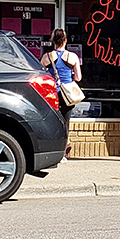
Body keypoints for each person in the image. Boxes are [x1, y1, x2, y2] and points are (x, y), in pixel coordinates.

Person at [41, 29, 81, 160]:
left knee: (52, 122)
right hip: (67, 95)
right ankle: (63, 151)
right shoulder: (72, 57)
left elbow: (41, 76)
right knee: (65, 122)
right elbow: (78, 77)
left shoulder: (47, 57)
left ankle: (53, 150)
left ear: (53, 40)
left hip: (52, 94)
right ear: (65, 40)